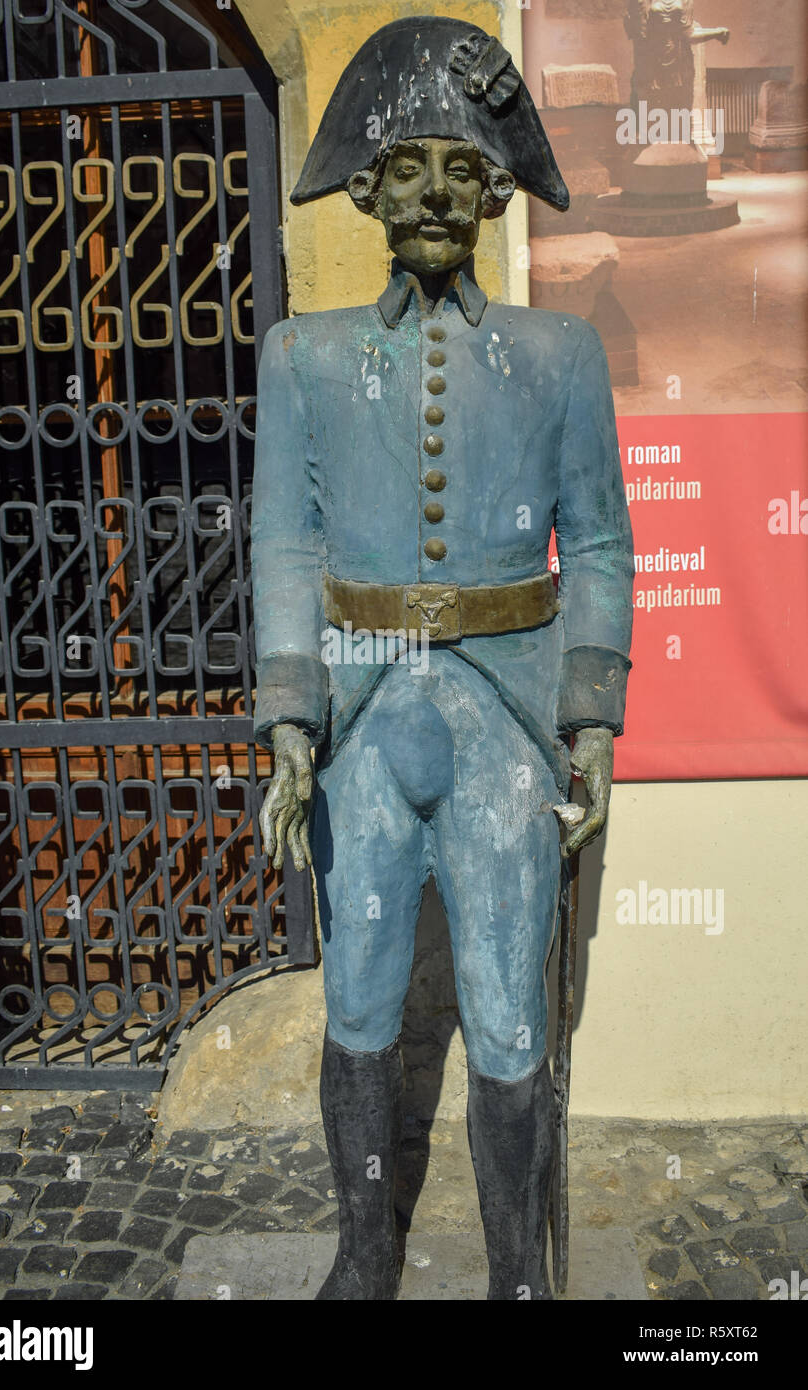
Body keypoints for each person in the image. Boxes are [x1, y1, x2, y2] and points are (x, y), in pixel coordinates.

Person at [251, 16, 634, 1300]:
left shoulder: (557, 355)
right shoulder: (300, 359)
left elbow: (596, 543)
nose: (430, 193)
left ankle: (517, 1275)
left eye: (458, 170)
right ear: (364, 188)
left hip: (501, 731)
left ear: (492, 190)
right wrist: (292, 719)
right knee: (355, 1009)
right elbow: (288, 546)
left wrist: (587, 718)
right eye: (405, 168)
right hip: (360, 734)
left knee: (510, 1019)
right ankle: (365, 1253)